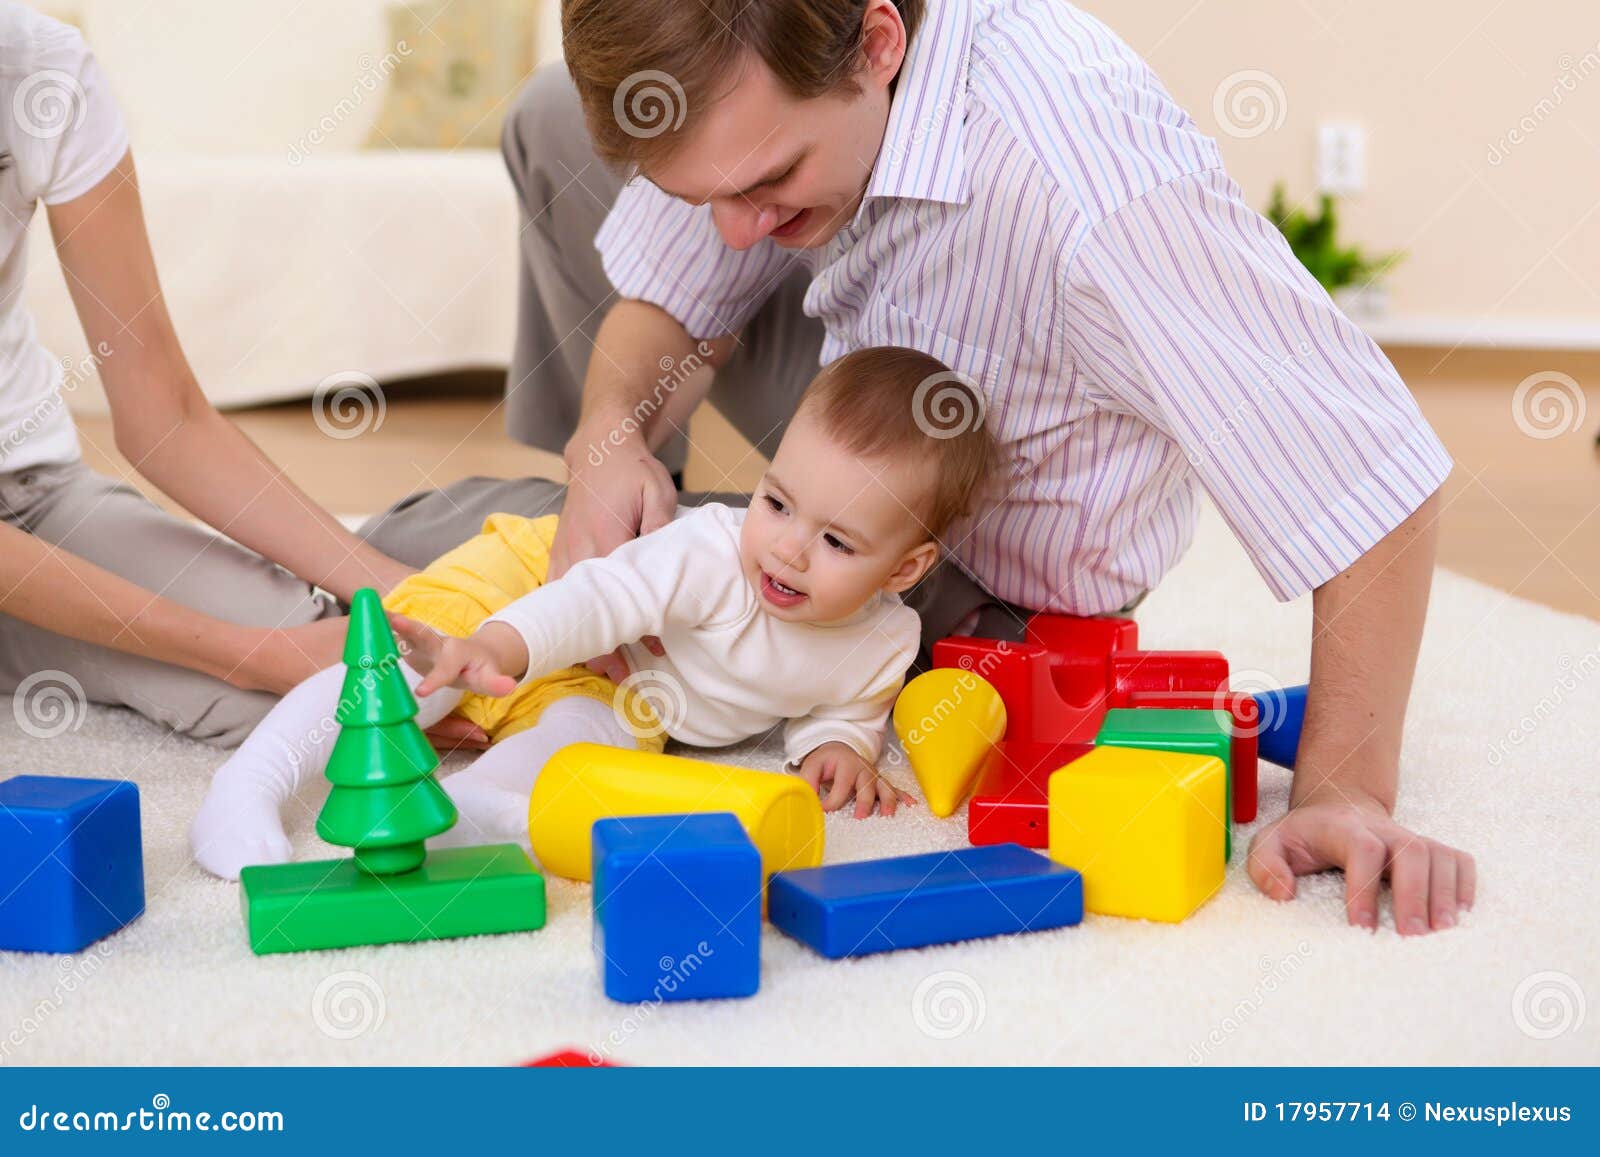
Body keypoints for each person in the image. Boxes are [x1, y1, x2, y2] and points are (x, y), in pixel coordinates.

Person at [360, 0, 1475, 935]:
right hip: (868, 376)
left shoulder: (1089, 187)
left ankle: (591, 567)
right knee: (555, 117)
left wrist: (1342, 791)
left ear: (878, 42)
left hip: (984, 570)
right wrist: (609, 433)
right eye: (712, 197)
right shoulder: (775, 104)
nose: (734, 233)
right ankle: (609, 515)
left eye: (768, 177)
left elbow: (1367, 469)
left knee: (422, 552)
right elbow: (686, 265)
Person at [189, 348, 998, 879]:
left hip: (631, 690)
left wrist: (837, 746)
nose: (786, 549)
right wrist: (499, 640)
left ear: (906, 568)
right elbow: (598, 597)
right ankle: (251, 783)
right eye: (777, 502)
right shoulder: (710, 552)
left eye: (833, 540)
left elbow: (844, 703)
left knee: (576, 748)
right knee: (418, 677)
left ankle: (463, 818)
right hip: (535, 589)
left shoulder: (888, 640)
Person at [0, 3, 417, 746]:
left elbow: (166, 417)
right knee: (274, 681)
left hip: (32, 497)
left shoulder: (43, 70)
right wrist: (246, 657)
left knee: (341, 681)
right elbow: (253, 661)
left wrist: (404, 596)